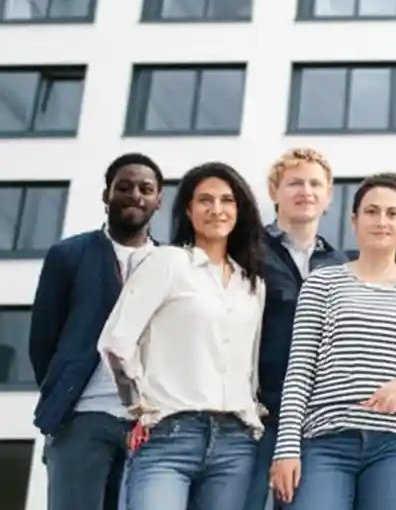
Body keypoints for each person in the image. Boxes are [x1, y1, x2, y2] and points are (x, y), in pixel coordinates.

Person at [269, 173, 396, 509]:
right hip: (325, 442)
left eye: (393, 213)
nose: (381, 221)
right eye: (371, 211)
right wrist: (287, 449)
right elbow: (299, 373)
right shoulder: (322, 284)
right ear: (354, 220)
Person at [99, 161, 267, 510]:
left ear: (240, 210)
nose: (216, 209)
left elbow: (249, 365)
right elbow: (116, 343)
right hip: (170, 436)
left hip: (235, 444)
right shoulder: (168, 263)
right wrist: (138, 407)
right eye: (205, 200)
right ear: (188, 210)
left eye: (227, 200)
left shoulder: (252, 284)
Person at [30, 153, 164, 510]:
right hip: (82, 418)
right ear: (106, 195)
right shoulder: (68, 255)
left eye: (145, 189)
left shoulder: (171, 264)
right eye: (124, 187)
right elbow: (43, 341)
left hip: (148, 426)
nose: (135, 194)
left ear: (158, 200)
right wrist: (65, 391)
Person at [245, 148, 346, 510]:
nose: (306, 191)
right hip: (259, 414)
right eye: (295, 183)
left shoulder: (340, 265)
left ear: (329, 196)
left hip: (317, 419)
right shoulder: (249, 251)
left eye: (315, 184)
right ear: (274, 192)